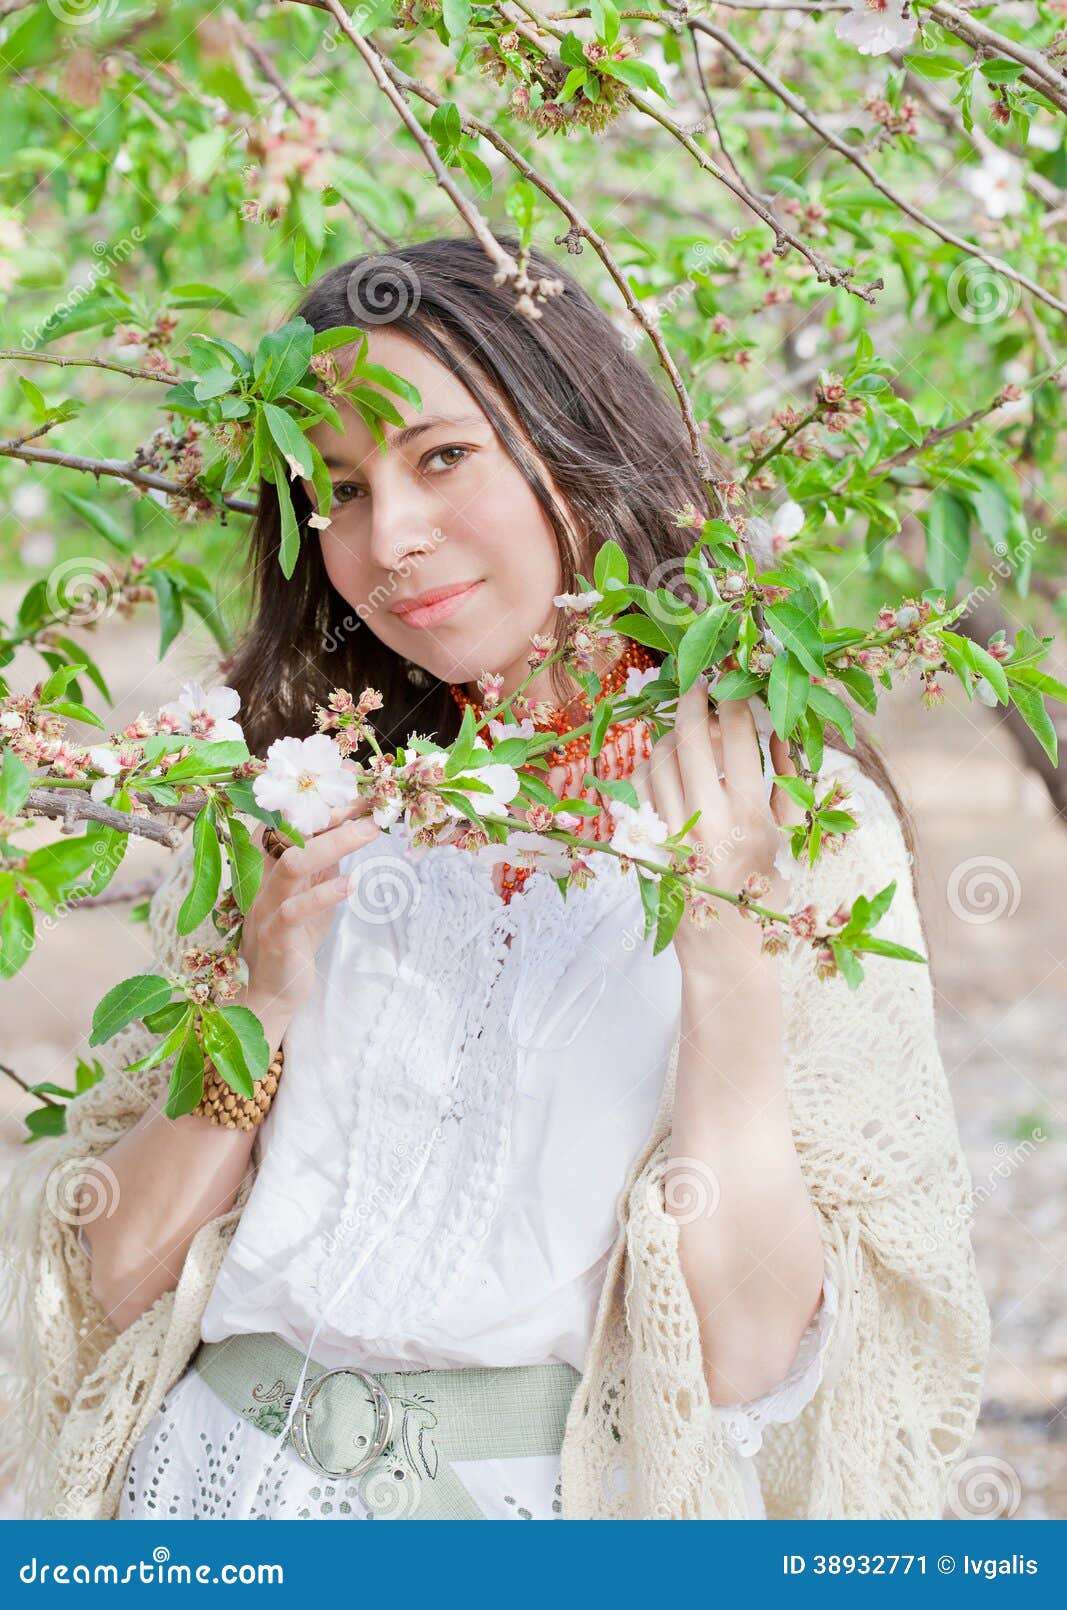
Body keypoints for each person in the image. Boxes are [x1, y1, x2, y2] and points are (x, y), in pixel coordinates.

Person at [0, 235, 989, 1520]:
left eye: (441, 456)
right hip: (201, 1503)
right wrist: (261, 1005)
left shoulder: (787, 828)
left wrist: (727, 965)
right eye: (340, 490)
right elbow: (106, 1281)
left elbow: (753, 1367)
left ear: (570, 441)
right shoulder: (307, 791)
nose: (390, 537)